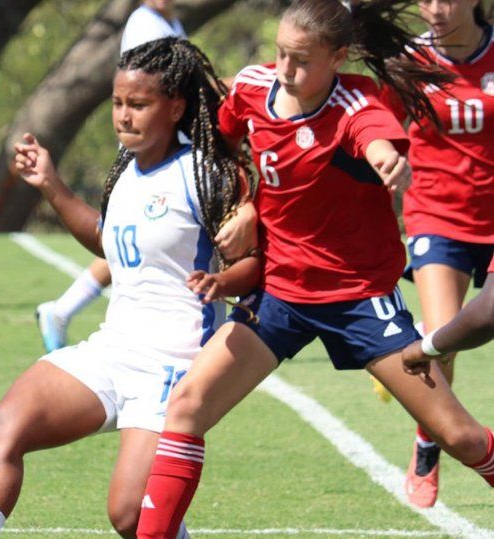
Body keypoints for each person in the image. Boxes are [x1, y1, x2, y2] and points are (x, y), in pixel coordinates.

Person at [135, 2, 494, 537]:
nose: (285, 68)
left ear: (338, 57)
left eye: (301, 59)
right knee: (186, 406)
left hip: (358, 299)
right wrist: (244, 206)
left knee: (459, 437)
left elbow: (375, 138)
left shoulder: (356, 103)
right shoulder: (255, 88)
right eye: (280, 52)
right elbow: (229, 143)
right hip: (280, 294)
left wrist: (386, 160)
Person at [0, 38, 259, 539]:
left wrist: (223, 280)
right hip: (114, 350)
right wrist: (52, 184)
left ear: (175, 106)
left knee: (131, 515)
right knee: (4, 429)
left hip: (174, 367)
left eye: (139, 104)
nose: (123, 116)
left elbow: (258, 264)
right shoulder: (127, 169)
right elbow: (107, 240)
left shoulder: (205, 173)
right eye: (117, 103)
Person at [35, 0, 255, 352]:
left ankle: (63, 309)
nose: (121, 112)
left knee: (144, 241)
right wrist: (244, 82)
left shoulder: (170, 22)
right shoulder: (145, 24)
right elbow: (146, 86)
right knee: (135, 240)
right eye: (116, 104)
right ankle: (64, 310)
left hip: (172, 153)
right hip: (156, 149)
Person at [377, 0, 493, 508]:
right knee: (442, 340)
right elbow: (380, 133)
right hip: (436, 218)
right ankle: (429, 442)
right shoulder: (407, 63)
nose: (436, 9)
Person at [401, 261, 493, 371]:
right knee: (440, 356)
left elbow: (488, 312)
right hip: (448, 245)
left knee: (440, 348)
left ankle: (425, 333)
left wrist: (424, 347)